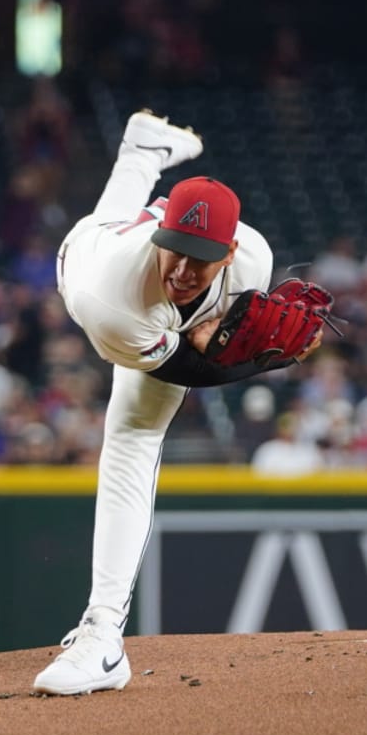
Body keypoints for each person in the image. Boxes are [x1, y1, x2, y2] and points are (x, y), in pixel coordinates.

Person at [33, 111, 329, 696]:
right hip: (89, 259)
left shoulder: (253, 259)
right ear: (160, 236)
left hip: (134, 233)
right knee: (132, 438)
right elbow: (196, 368)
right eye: (176, 249)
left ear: (230, 252)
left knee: (123, 214)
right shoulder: (110, 299)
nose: (185, 269)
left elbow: (214, 337)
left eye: (201, 255)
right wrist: (271, 359)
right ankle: (103, 637)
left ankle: (143, 148)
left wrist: (236, 340)